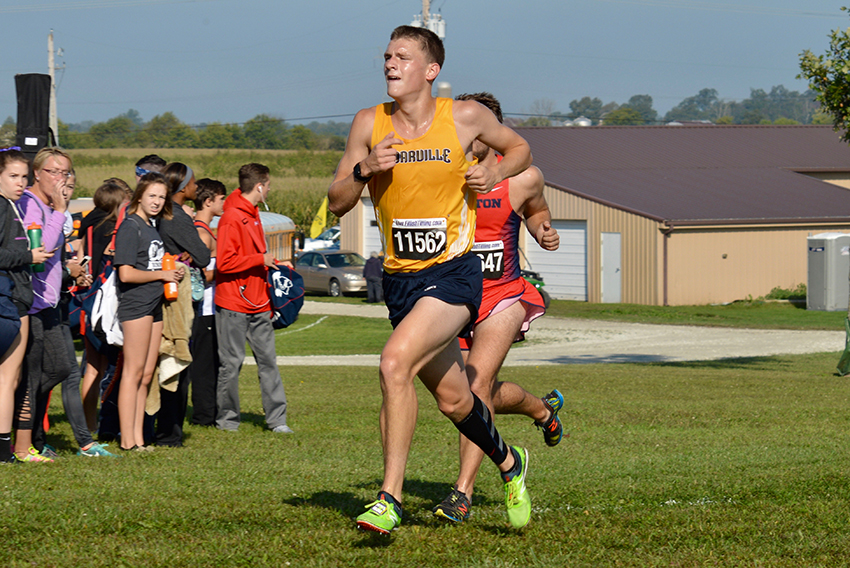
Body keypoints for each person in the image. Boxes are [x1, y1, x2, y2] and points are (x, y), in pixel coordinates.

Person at [328, 25, 535, 533]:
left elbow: (521, 150)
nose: (390, 64)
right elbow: (335, 202)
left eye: (402, 56)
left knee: (393, 362)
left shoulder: (463, 117)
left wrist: (495, 174)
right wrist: (363, 171)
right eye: (386, 56)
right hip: (400, 282)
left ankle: (389, 498)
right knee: (455, 399)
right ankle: (511, 464)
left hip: (454, 276)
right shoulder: (367, 124)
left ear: (430, 70)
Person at [432, 92, 563, 522]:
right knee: (467, 395)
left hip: (503, 295)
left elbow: (538, 211)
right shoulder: (448, 172)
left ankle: (462, 493)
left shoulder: (523, 177)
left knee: (475, 386)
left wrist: (544, 231)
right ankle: (542, 410)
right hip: (456, 296)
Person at [214, 163, 291, 434]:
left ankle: (277, 420)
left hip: (259, 301)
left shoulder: (254, 214)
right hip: (233, 304)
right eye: (268, 185)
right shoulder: (231, 218)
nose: (270, 189)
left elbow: (253, 257)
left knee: (268, 361)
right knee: (231, 364)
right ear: (259, 186)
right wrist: (260, 259)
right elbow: (224, 263)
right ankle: (227, 420)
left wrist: (276, 265)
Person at [113, 172, 183, 451]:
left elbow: (152, 265)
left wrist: (169, 272)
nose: (156, 201)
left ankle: (140, 437)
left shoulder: (151, 226)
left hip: (155, 305)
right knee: (132, 371)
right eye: (152, 195)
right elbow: (126, 274)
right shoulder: (131, 226)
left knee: (146, 373)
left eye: (161, 197)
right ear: (139, 196)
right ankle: (127, 441)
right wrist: (161, 275)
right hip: (136, 305)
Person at [16, 147, 76, 462]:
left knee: (60, 367)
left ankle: (26, 430)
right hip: (32, 303)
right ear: (37, 173)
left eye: (65, 172)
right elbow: (44, 247)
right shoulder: (29, 204)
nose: (60, 178)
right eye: (53, 171)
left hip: (50, 302)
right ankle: (25, 440)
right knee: (33, 373)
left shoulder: (49, 206)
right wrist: (61, 210)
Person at [154, 162, 210, 447]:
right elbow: (202, 255)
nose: (196, 186)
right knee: (178, 363)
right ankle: (170, 432)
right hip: (183, 300)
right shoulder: (176, 216)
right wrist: (194, 247)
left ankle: (164, 428)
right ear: (181, 185)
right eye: (193, 181)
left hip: (170, 294)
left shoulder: (167, 214)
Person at [0, 149, 50, 463]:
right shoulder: (3, 208)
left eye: (24, 177)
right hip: (8, 301)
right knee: (8, 378)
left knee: (11, 378)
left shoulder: (12, 207)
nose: (21, 183)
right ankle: (4, 450)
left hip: (16, 298)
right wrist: (29, 257)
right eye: (13, 176)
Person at [188, 178, 225, 427]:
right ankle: (204, 415)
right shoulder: (201, 232)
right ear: (209, 201)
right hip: (204, 310)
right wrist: (227, 269)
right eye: (221, 199)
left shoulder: (207, 229)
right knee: (204, 364)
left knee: (212, 362)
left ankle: (208, 412)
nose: (224, 203)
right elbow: (198, 278)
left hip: (211, 308)